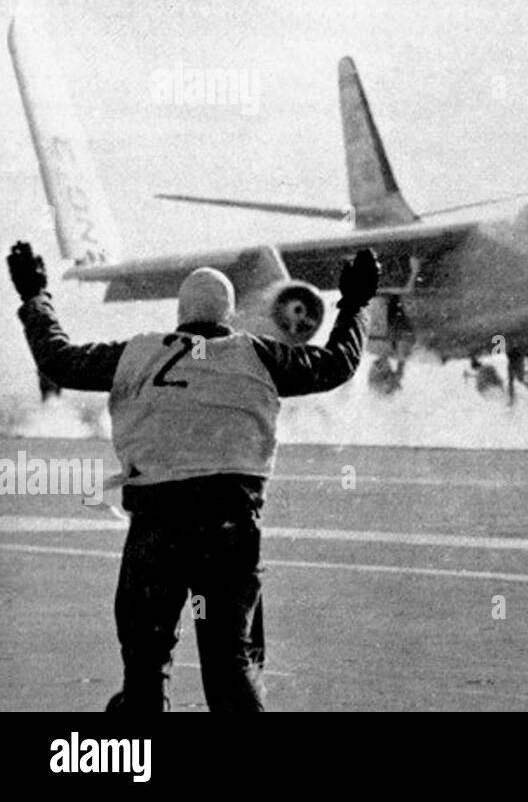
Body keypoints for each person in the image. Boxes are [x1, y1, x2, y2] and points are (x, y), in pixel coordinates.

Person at [8, 240, 377, 713]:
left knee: (145, 662)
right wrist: (356, 302)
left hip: (156, 526)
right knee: (230, 665)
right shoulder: (257, 353)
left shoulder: (139, 353)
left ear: (180, 314)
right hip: (228, 525)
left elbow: (59, 359)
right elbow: (336, 364)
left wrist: (35, 295)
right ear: (229, 315)